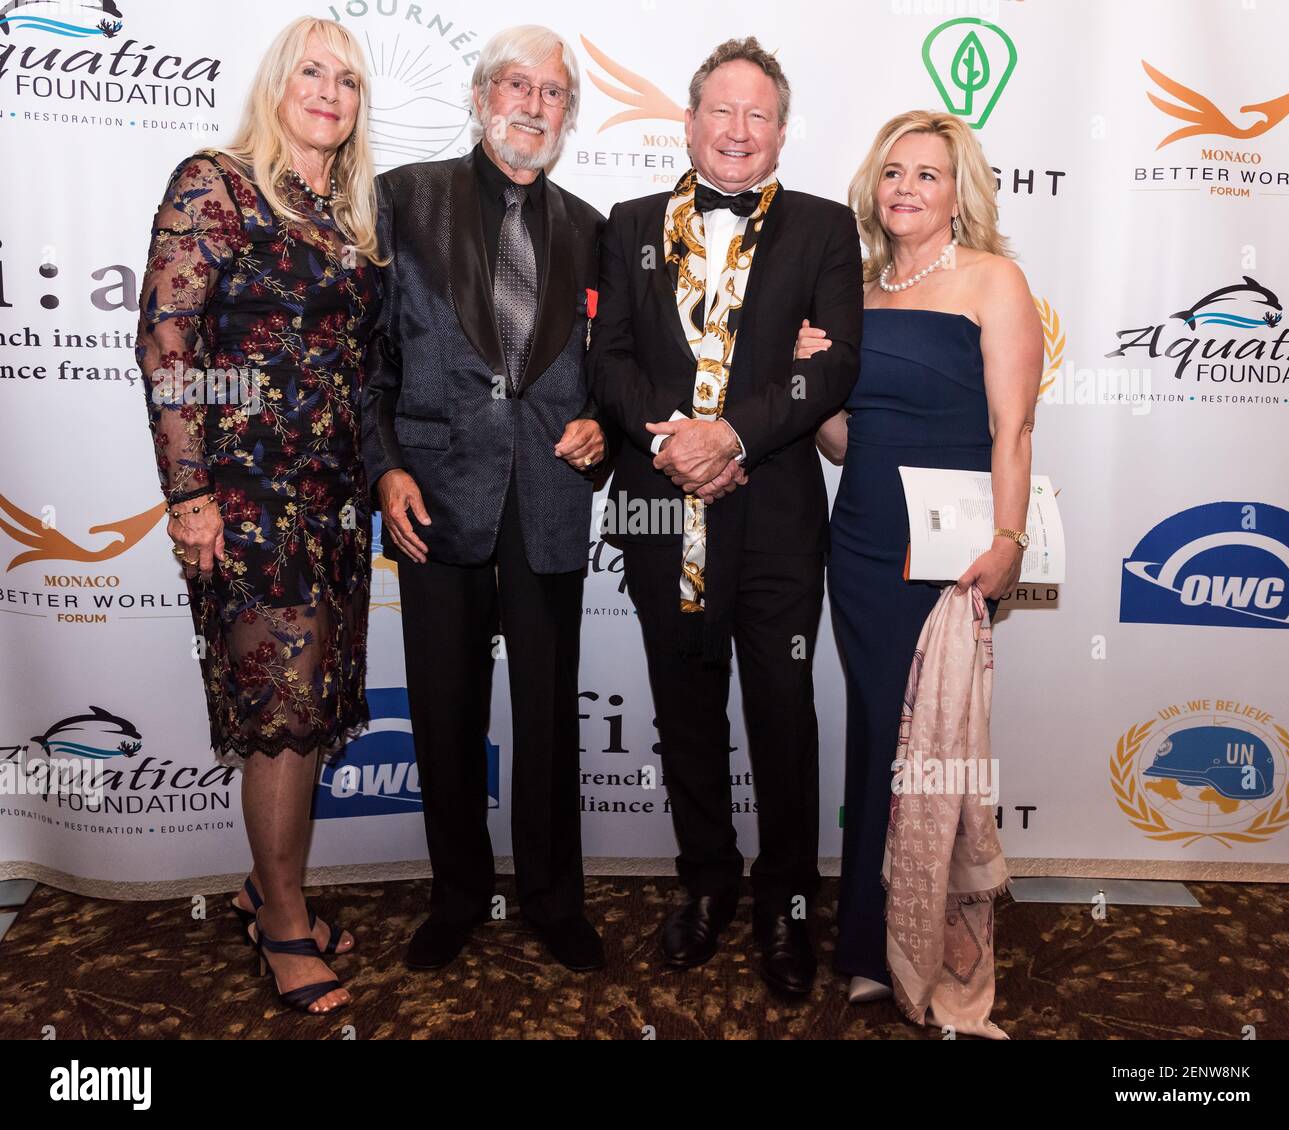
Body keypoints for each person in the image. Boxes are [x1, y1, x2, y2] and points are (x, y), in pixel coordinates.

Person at [589, 37, 863, 996]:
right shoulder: (625, 226)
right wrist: (672, 446)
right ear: (691, 120)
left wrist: (732, 436)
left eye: (758, 114)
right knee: (685, 710)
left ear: (782, 131)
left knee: (784, 717)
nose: (738, 131)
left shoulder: (827, 229)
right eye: (722, 111)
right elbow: (609, 358)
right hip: (662, 514)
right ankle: (706, 882)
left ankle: (789, 908)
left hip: (778, 517)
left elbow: (830, 369)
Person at [135, 16, 384, 1014]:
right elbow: (167, 345)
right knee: (281, 718)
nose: (329, 91)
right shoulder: (218, 182)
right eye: (312, 72)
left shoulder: (348, 214)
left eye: (349, 80)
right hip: (244, 501)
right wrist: (189, 493)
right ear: (279, 83)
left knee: (312, 706)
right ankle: (282, 921)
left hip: (330, 503)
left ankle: (265, 886)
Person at [360, 25, 607, 974]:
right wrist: (385, 468)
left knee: (549, 718)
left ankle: (554, 899)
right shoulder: (403, 200)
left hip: (547, 496)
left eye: (553, 94)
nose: (533, 106)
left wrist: (606, 431)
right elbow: (366, 359)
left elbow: (611, 371)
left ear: (569, 116)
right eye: (518, 85)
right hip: (433, 496)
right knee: (445, 708)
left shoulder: (593, 230)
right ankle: (458, 895)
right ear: (479, 94)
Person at [798, 110, 1040, 1004]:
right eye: (893, 172)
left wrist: (1008, 541)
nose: (906, 188)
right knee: (876, 739)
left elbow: (1013, 425)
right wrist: (809, 374)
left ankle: (906, 942)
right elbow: (836, 441)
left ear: (957, 191)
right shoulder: (853, 293)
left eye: (927, 174)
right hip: (859, 542)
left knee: (928, 748)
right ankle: (871, 938)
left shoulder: (993, 281)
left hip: (946, 550)